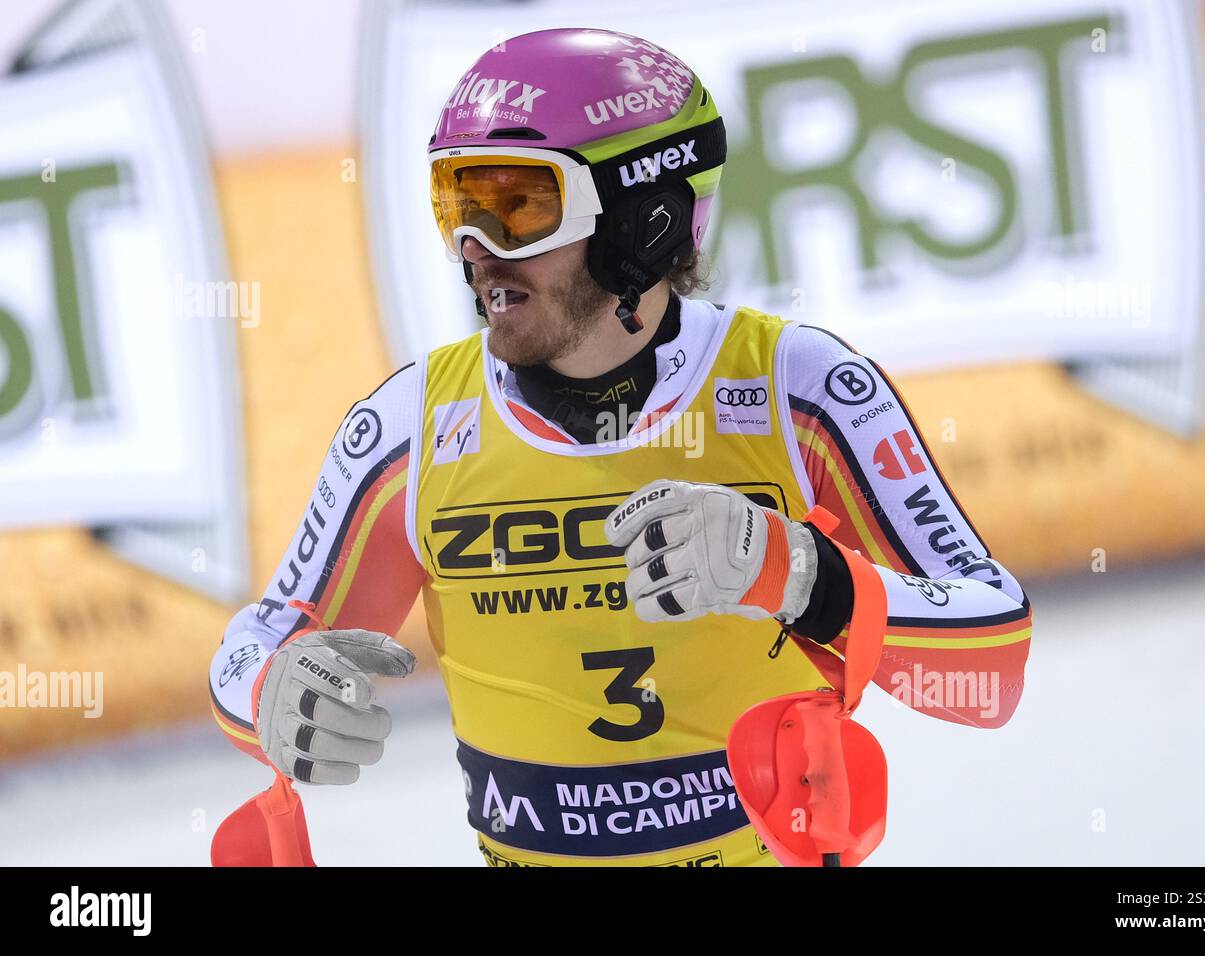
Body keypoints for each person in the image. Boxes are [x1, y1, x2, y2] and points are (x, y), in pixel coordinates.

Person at [208, 27, 1032, 867]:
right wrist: (268, 692)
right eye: (457, 204)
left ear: (645, 217)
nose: (476, 248)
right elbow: (259, 641)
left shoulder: (801, 390)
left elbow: (993, 662)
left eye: (519, 205)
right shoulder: (409, 426)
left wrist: (800, 574)